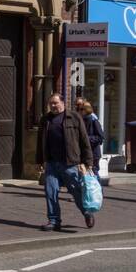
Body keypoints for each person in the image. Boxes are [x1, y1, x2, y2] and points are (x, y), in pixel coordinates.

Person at [36, 92, 95, 231]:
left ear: (63, 103)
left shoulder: (74, 117)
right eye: (51, 103)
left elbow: (84, 140)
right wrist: (40, 160)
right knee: (50, 192)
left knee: (76, 192)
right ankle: (54, 221)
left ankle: (87, 213)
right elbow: (41, 141)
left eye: (55, 103)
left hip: (70, 163)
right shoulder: (45, 119)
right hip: (51, 163)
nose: (53, 106)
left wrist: (88, 162)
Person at [76, 98, 105, 175]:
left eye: (81, 109)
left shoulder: (93, 120)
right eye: (78, 108)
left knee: (93, 173)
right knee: (84, 173)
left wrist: (86, 138)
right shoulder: (80, 120)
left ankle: (97, 187)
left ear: (87, 110)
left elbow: (100, 137)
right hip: (84, 153)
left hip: (93, 153)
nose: (79, 110)